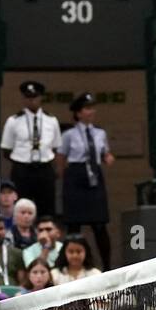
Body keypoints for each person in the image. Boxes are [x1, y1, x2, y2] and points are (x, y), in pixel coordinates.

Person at [57, 93, 115, 270]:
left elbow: (105, 153)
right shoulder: (69, 135)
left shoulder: (100, 133)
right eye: (87, 108)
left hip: (94, 176)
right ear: (78, 113)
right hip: (76, 174)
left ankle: (107, 266)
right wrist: (64, 177)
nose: (91, 112)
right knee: (74, 224)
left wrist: (108, 157)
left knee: (99, 224)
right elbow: (61, 157)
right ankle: (70, 264)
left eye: (92, 108)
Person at [0, 80, 60, 221]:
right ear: (23, 99)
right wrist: (22, 159)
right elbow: (7, 150)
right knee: (21, 206)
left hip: (44, 167)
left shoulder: (51, 120)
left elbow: (55, 147)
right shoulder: (13, 120)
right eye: (28, 97)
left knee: (47, 208)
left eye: (35, 97)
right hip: (22, 168)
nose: (31, 100)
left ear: (40, 98)